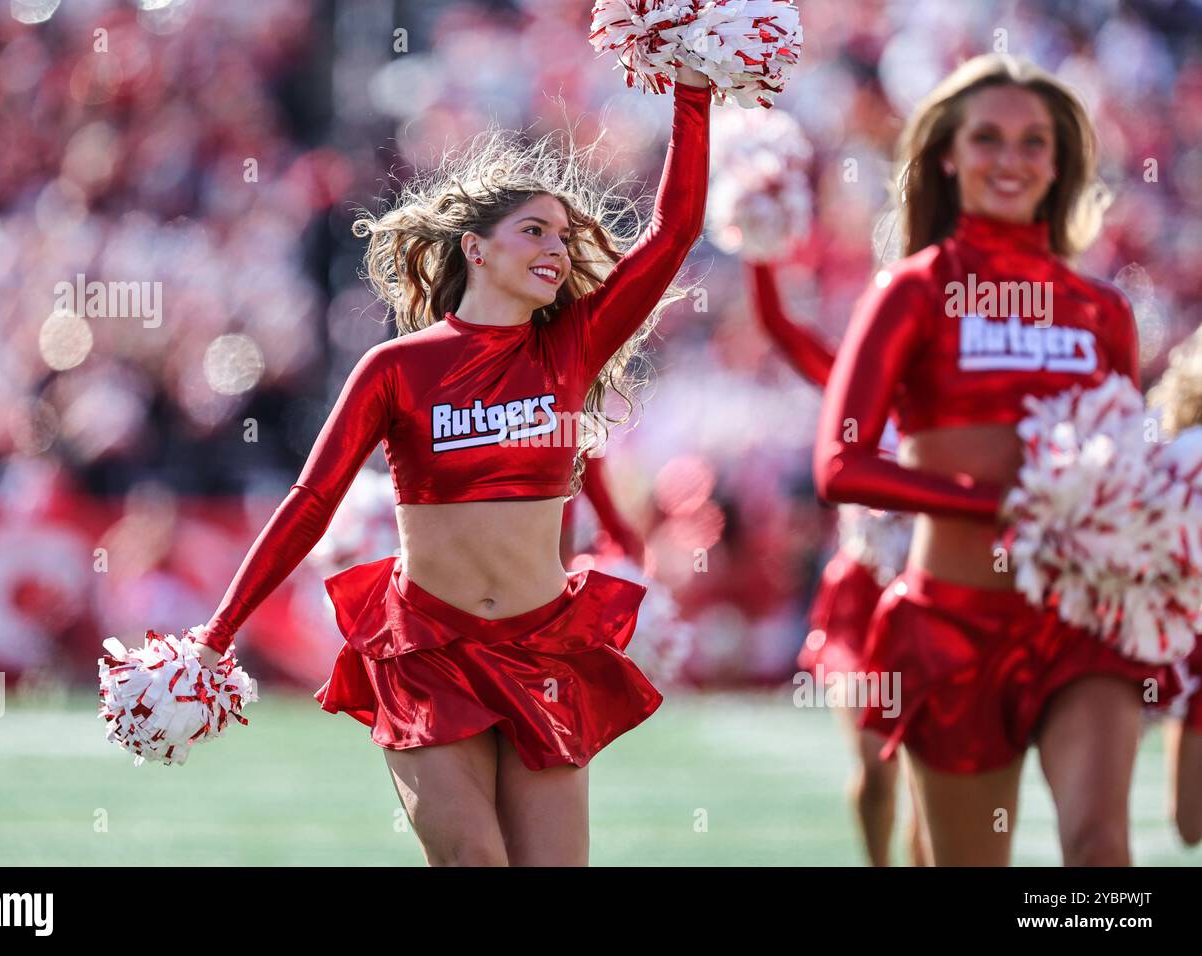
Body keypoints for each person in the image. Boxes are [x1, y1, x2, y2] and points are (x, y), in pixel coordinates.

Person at [191, 64, 712, 866]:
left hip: (544, 647)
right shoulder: (395, 369)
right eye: (533, 230)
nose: (556, 247)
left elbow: (674, 233)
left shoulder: (570, 349)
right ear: (475, 247)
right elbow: (309, 500)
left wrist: (692, 85)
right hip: (429, 652)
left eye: (563, 236)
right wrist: (217, 634)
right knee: (473, 861)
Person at [812, 53, 1176, 866]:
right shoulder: (911, 291)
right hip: (949, 627)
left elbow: (1122, 469)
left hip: (1082, 623)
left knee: (1099, 855)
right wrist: (1003, 504)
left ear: (1059, 162)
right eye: (988, 138)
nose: (1011, 159)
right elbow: (840, 466)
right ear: (947, 153)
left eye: (1034, 141)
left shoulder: (1104, 310)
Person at [747, 259, 925, 866]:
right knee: (876, 762)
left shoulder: (964, 403)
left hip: (935, 591)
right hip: (862, 595)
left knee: (933, 778)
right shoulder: (854, 386)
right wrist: (759, 239)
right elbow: (778, 325)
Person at [1145, 326, 1202, 848]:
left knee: (1189, 823)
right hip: (1187, 640)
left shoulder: (1171, 454)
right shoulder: (1179, 454)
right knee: (1188, 824)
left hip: (1179, 641)